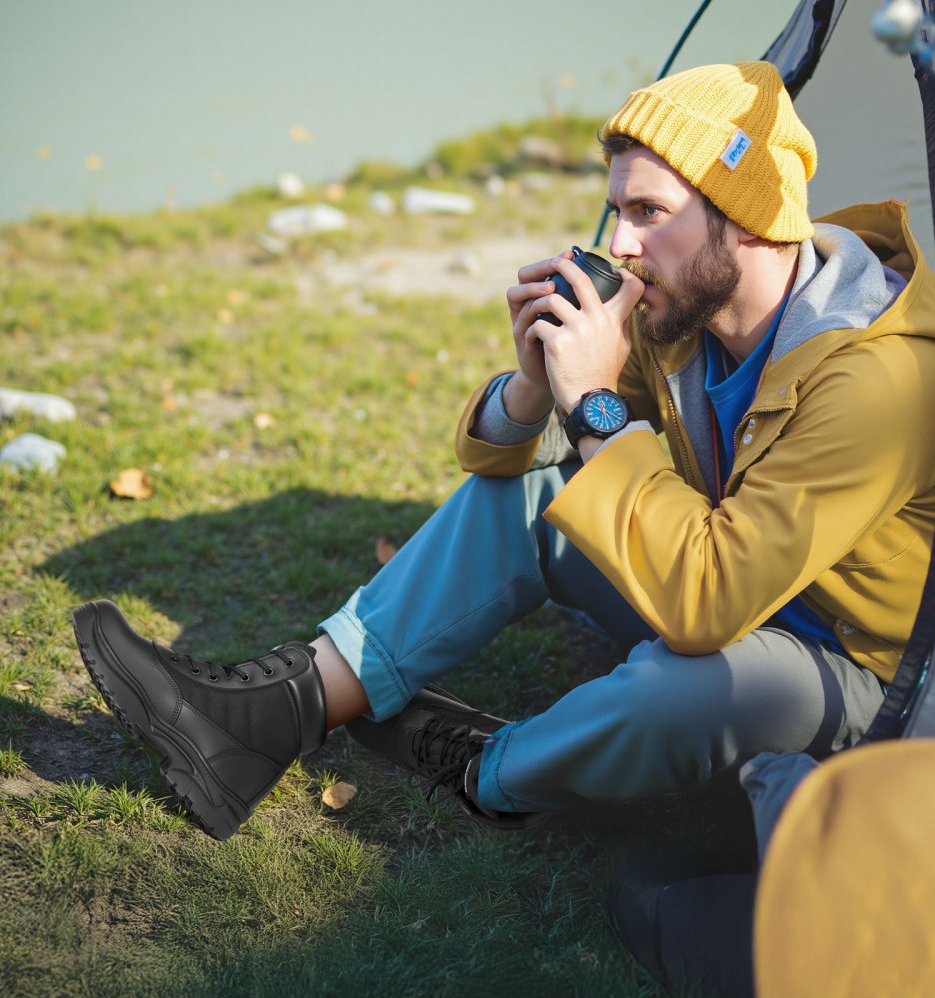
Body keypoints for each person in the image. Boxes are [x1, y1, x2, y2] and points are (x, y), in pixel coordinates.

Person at [71, 61, 935, 841]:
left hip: (858, 668)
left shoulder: (878, 379)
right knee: (530, 499)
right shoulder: (687, 317)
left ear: (747, 221)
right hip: (724, 576)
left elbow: (707, 608)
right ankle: (273, 713)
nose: (623, 245)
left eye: (650, 213)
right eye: (618, 208)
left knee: (684, 687)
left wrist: (597, 404)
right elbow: (500, 471)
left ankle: (488, 771)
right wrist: (532, 387)